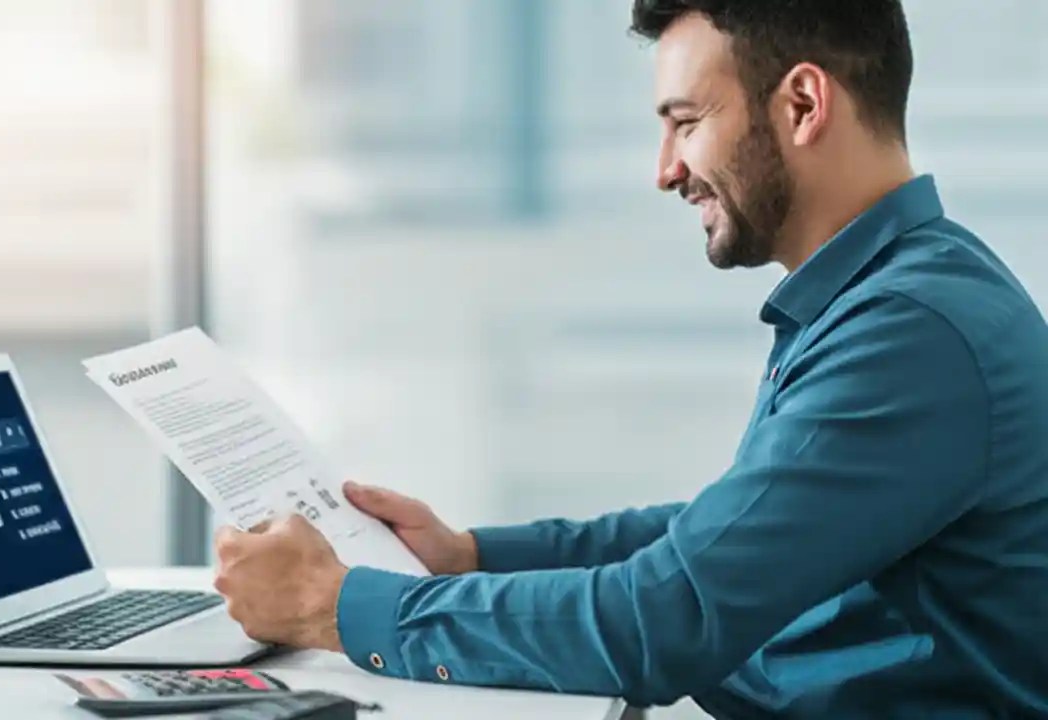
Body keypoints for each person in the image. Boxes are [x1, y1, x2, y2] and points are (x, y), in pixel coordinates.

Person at [212, 1, 1048, 715]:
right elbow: (717, 538)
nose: (666, 171)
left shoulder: (910, 331)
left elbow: (663, 619)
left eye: (687, 122)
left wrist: (334, 606)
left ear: (801, 104)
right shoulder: (893, 296)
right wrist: (469, 555)